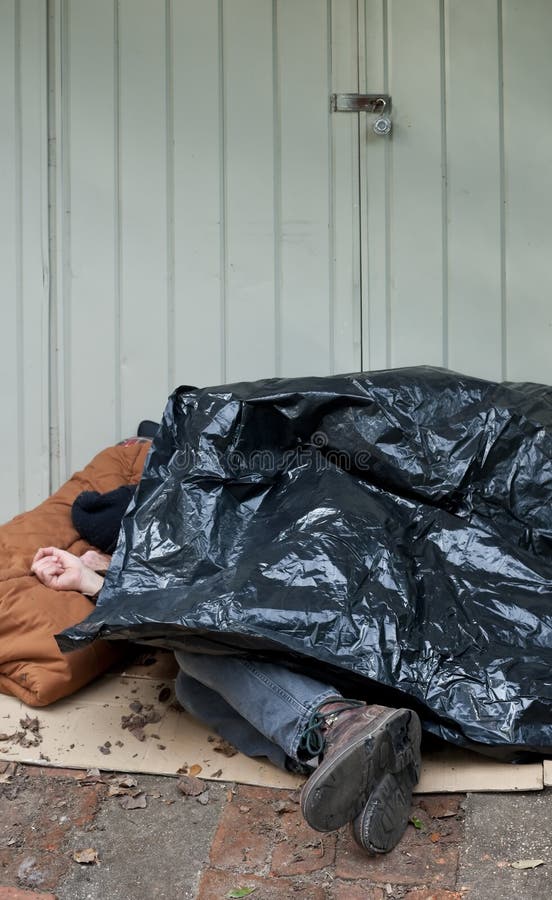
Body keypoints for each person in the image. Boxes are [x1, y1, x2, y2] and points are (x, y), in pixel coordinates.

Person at [31, 545, 422, 854]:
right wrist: (94, 577)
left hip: (335, 626)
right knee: (191, 688)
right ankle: (346, 760)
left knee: (196, 652)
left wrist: (105, 570)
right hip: (287, 619)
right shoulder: (168, 499)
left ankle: (337, 722)